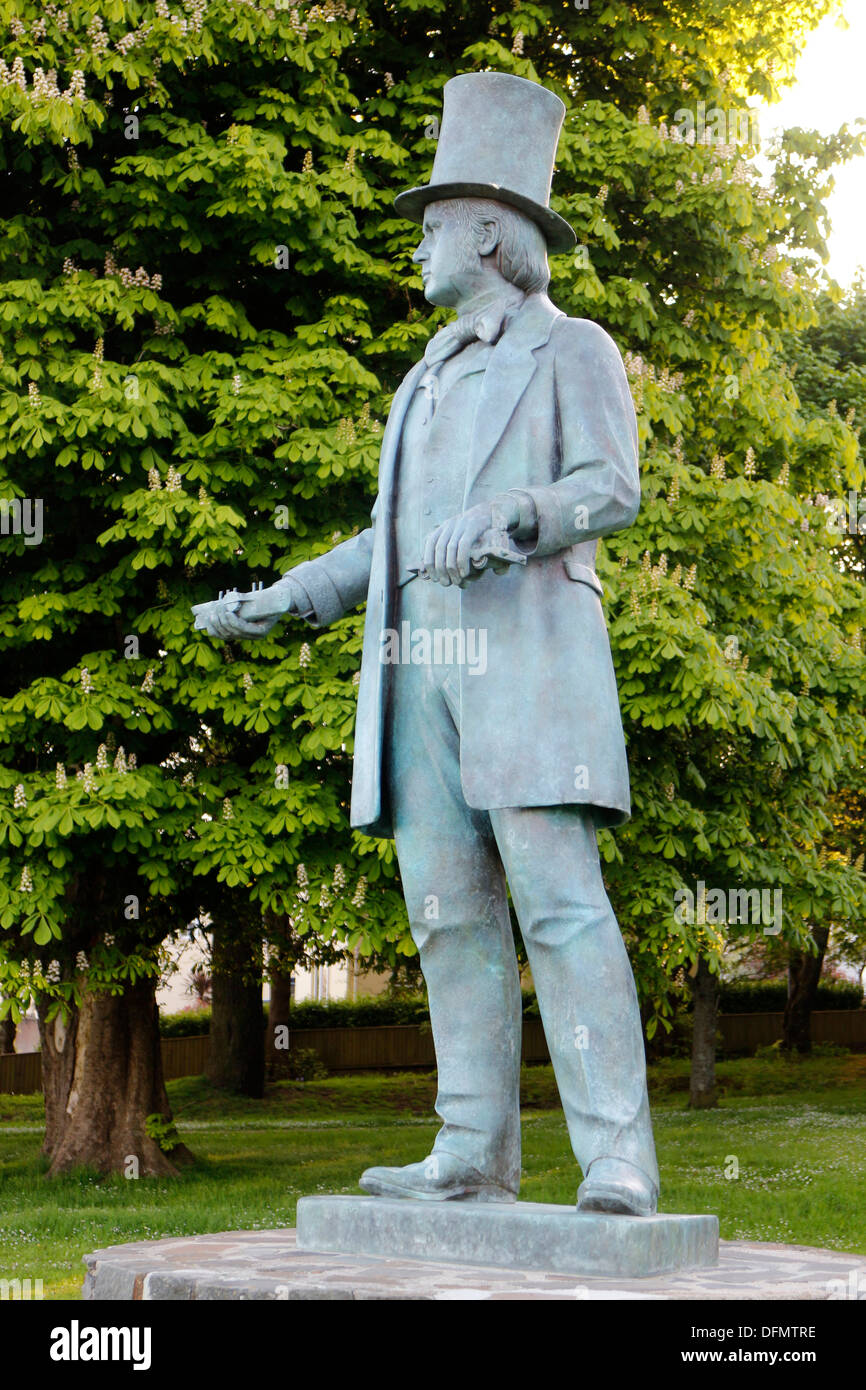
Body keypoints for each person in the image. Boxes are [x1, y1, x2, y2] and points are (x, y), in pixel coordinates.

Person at [196, 71, 659, 1216]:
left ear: (490, 232)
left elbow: (610, 486)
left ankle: (616, 1157)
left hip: (530, 669)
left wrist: (514, 519)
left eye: (431, 226)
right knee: (445, 916)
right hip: (418, 683)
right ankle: (469, 1151)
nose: (417, 249)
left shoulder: (573, 350)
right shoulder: (419, 382)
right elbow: (386, 537)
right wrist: (288, 597)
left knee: (557, 905)